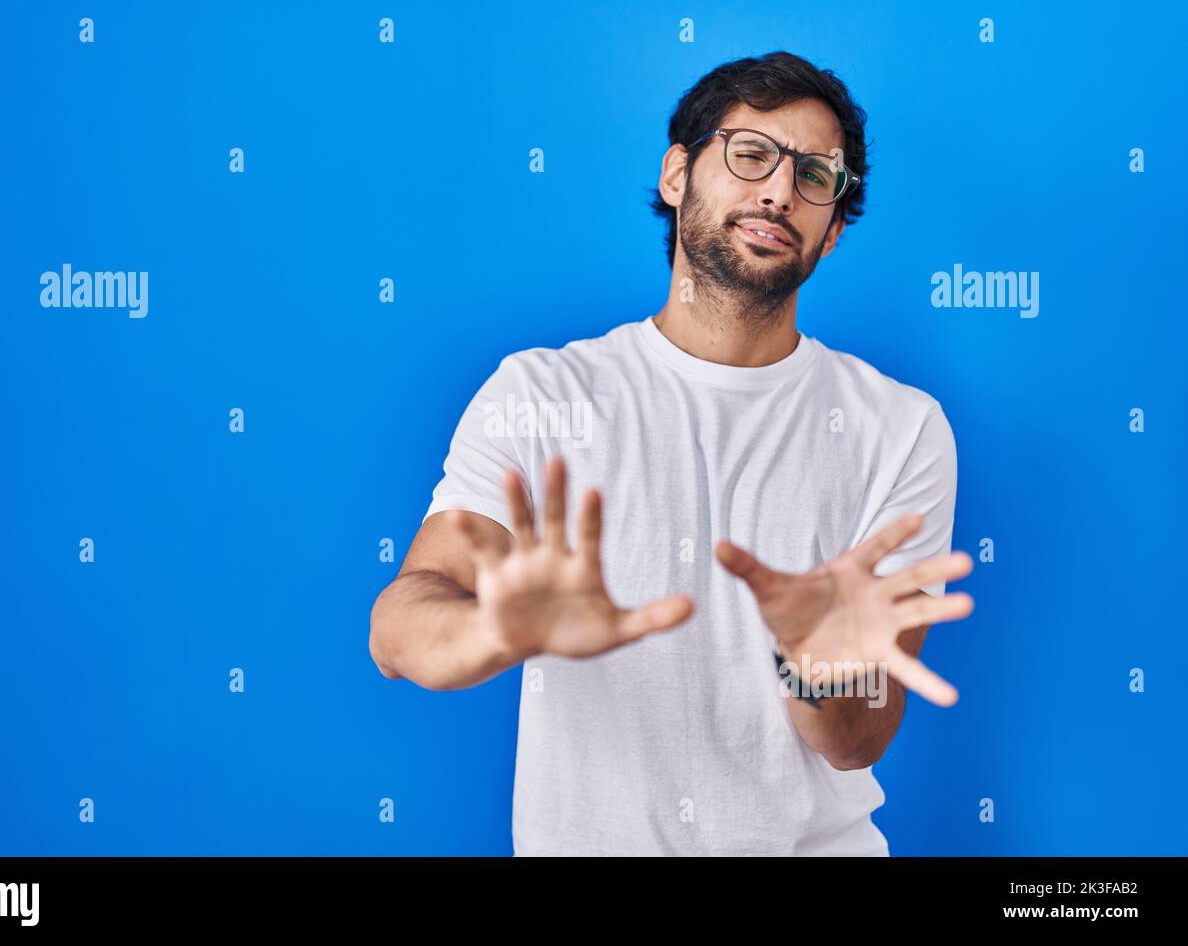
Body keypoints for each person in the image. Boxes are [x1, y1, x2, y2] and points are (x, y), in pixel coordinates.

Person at [369, 52, 974, 856]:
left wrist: (812, 661)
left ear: (831, 233)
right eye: (751, 154)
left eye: (815, 177)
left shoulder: (900, 427)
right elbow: (398, 628)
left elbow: (858, 742)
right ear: (677, 174)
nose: (779, 192)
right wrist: (498, 631)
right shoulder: (542, 394)